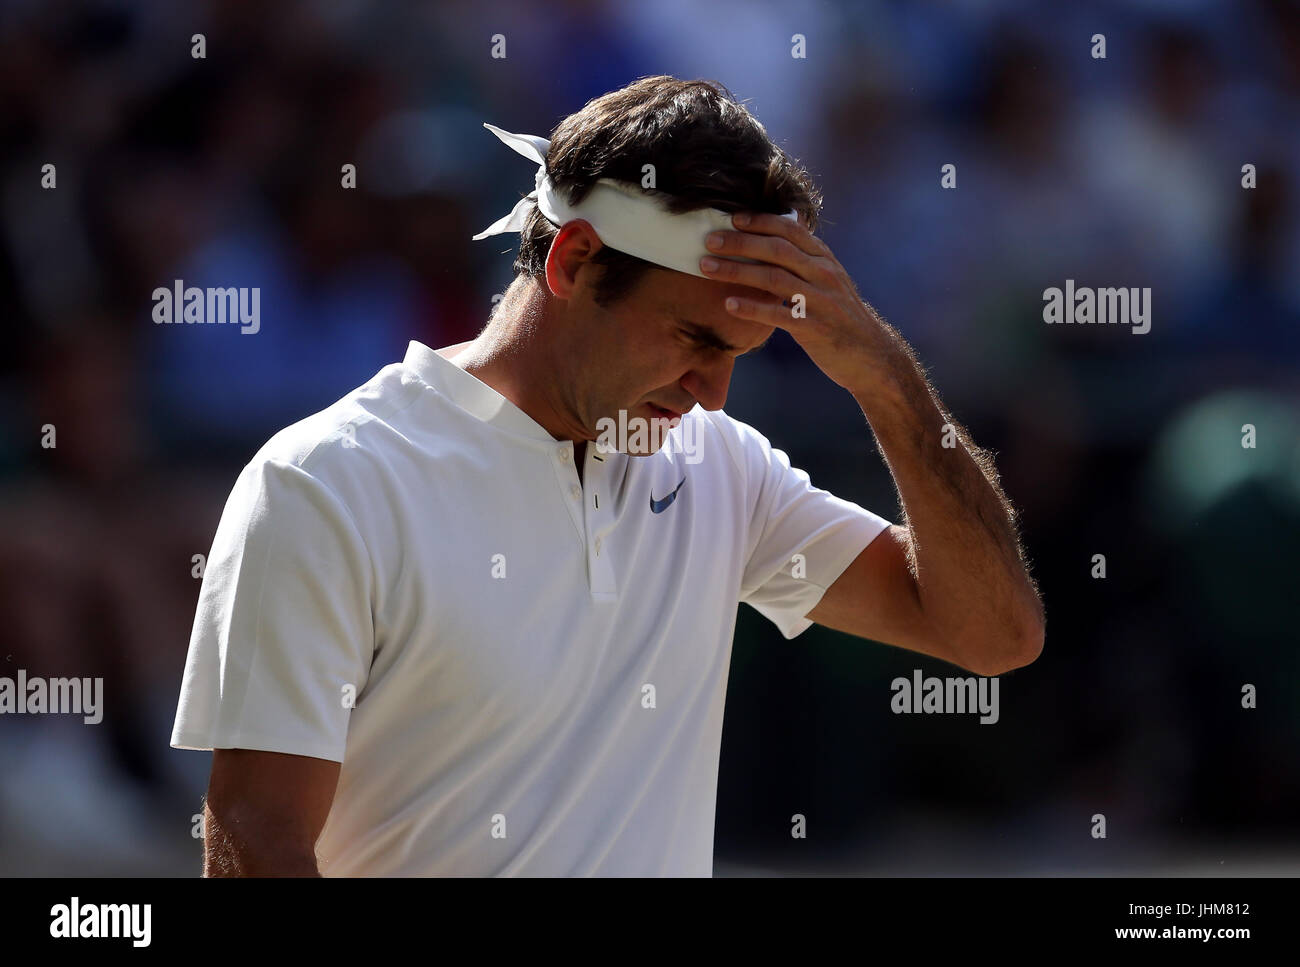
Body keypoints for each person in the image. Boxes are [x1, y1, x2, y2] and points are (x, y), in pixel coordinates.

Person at [171, 75, 1044, 877]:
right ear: (574, 261)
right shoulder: (326, 482)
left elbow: (993, 636)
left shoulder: (721, 464)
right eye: (696, 341)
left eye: (739, 354)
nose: (712, 394)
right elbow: (257, 842)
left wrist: (885, 378)